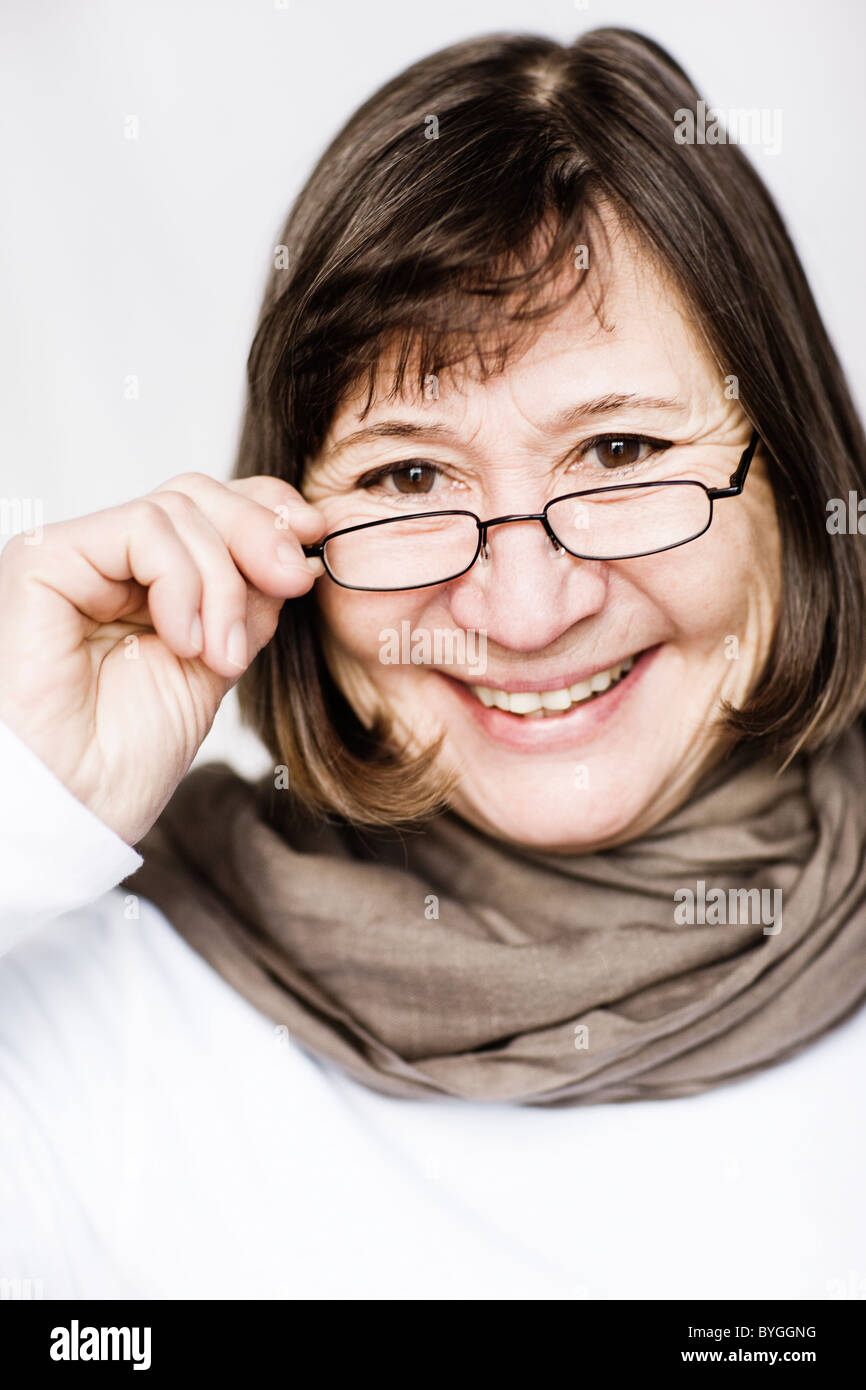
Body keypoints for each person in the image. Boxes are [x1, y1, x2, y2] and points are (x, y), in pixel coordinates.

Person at [2, 27, 865, 1301]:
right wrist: (18, 806)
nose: (524, 611)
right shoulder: (93, 1021)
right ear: (284, 535)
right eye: (407, 476)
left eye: (620, 453)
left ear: (791, 484)